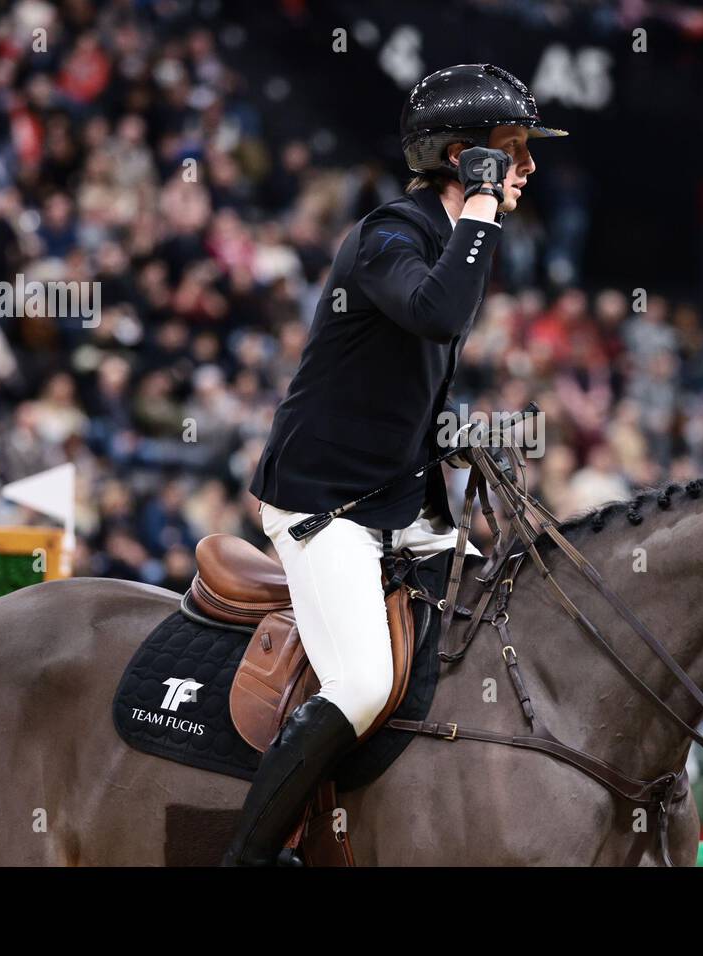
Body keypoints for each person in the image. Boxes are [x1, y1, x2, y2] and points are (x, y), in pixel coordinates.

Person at [223, 64, 567, 866]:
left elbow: (404, 374)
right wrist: (483, 202)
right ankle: (250, 856)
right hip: (326, 503)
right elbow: (438, 312)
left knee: (504, 612)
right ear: (462, 157)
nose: (529, 167)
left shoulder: (444, 240)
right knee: (363, 684)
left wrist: (450, 433)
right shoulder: (389, 233)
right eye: (513, 150)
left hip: (398, 500)